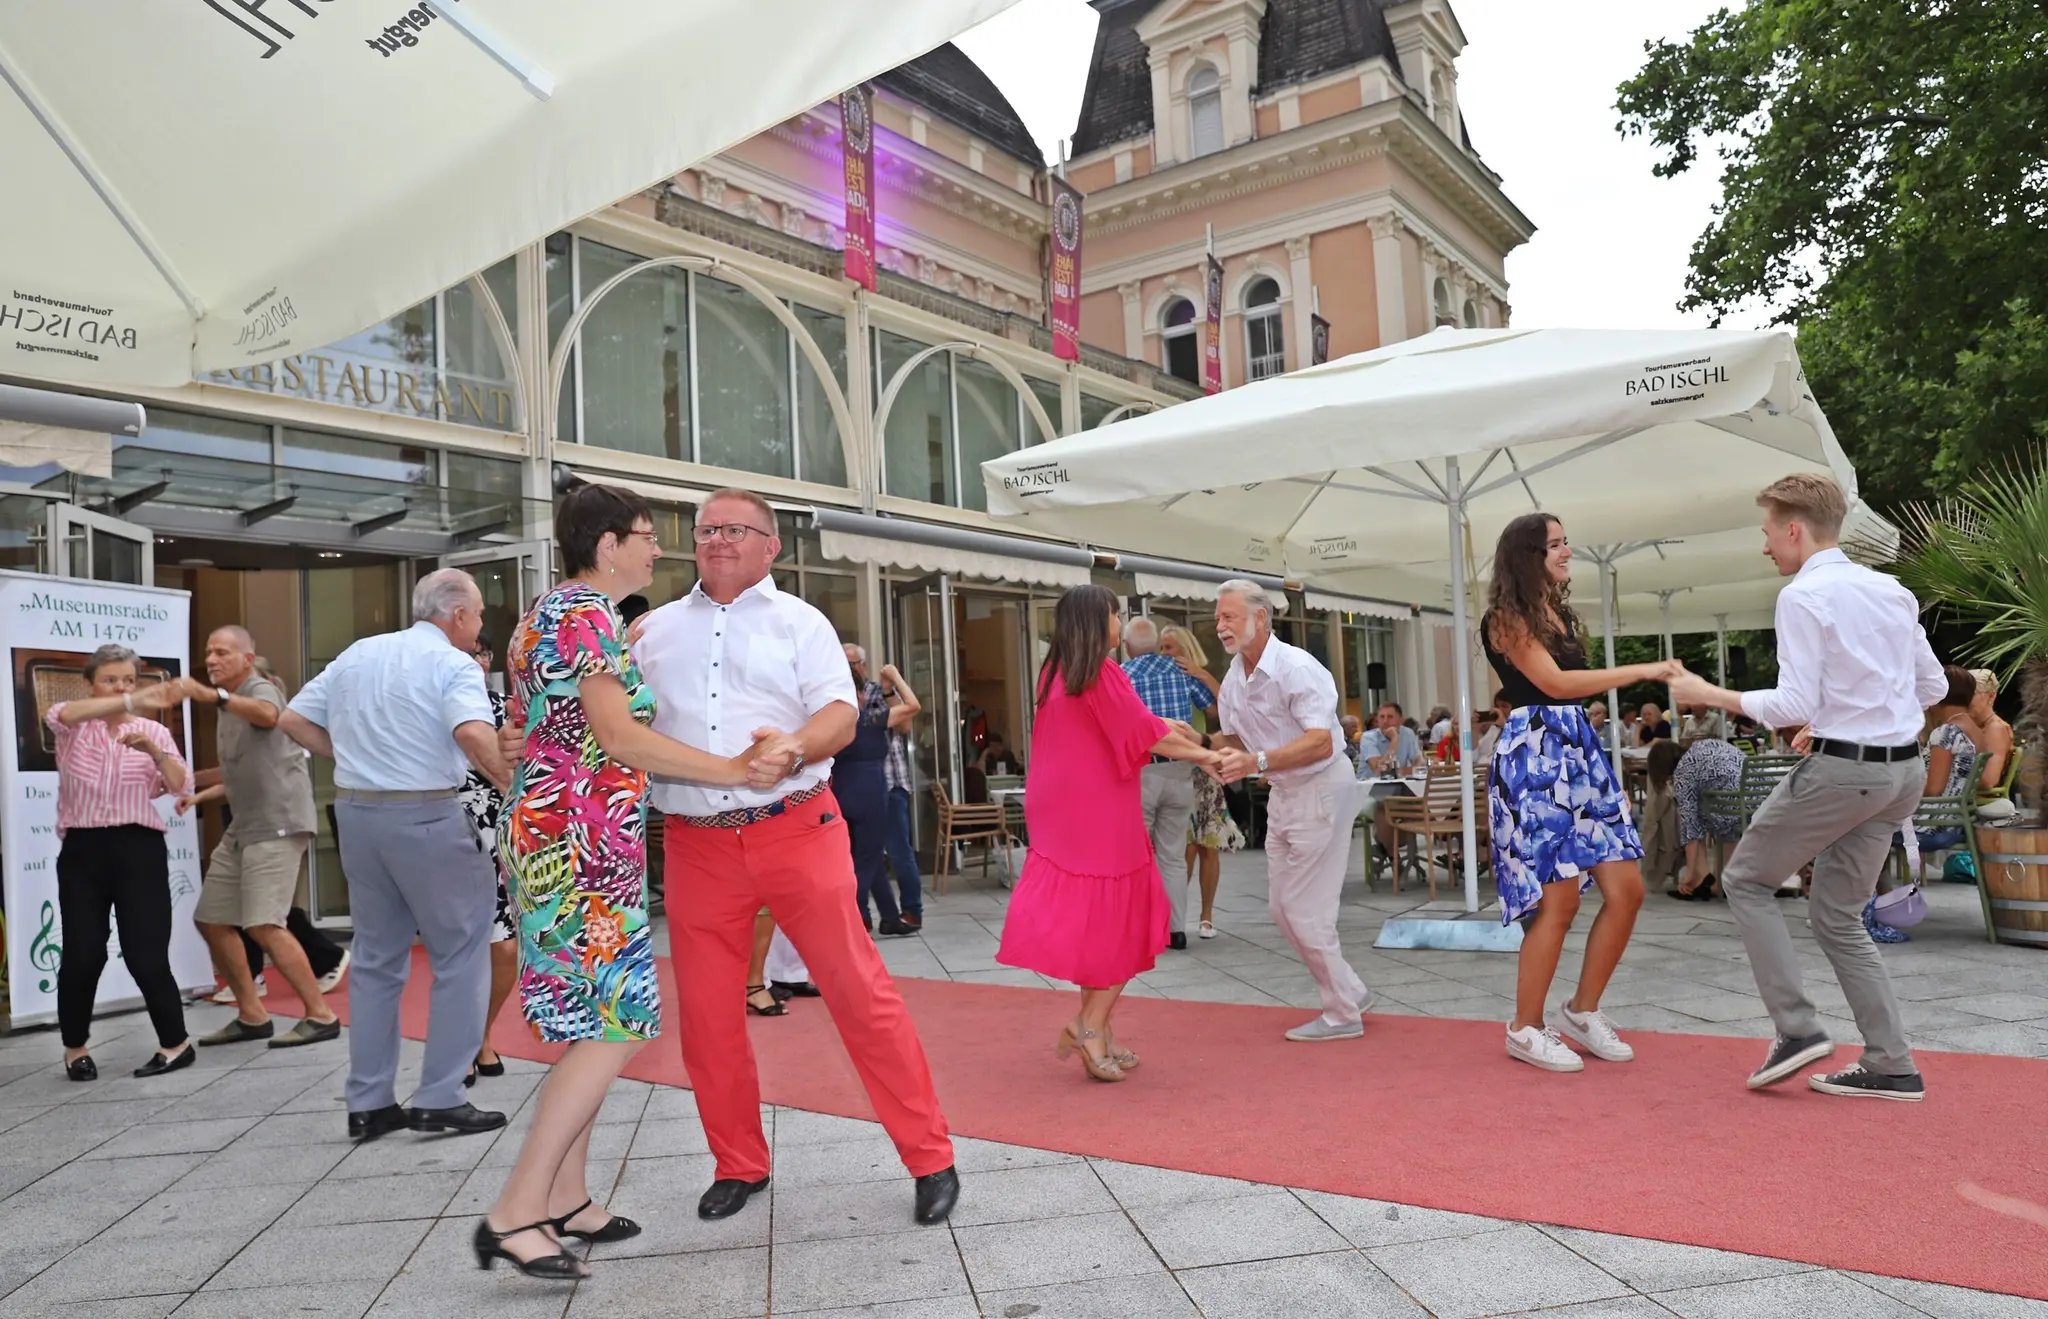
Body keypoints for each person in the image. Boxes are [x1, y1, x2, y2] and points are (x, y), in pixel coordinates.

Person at [634, 487, 959, 1226]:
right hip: (695, 844)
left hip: (796, 827)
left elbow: (841, 714)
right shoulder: (652, 632)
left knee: (858, 993)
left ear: (770, 544)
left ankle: (930, 1155)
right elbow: (619, 722)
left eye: (734, 529)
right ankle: (738, 1162)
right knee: (710, 1016)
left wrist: (794, 746)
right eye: (707, 527)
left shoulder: (801, 623)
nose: (715, 539)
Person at [479, 484, 761, 1280]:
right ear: (607, 544)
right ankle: (519, 1208)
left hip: (551, 834)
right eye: (646, 535)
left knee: (582, 1021)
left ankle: (568, 1196)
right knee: (620, 1021)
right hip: (580, 844)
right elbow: (618, 735)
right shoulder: (586, 617)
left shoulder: (544, 612)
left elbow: (525, 731)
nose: (657, 549)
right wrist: (733, 768)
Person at [1670, 472, 1945, 1101]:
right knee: (1838, 915)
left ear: (1793, 529)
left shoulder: (1801, 598)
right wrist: (1837, 720)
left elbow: (1792, 699)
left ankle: (1796, 1031)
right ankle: (1891, 1063)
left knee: (1744, 879)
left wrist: (1707, 693)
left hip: (1847, 771)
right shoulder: (1892, 590)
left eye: (1768, 533)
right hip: (1901, 773)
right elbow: (1930, 689)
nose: (1765, 546)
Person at [280, 568, 514, 1142]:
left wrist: (354, 760)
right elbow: (473, 735)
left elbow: (291, 718)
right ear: (458, 615)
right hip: (427, 813)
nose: (479, 625)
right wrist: (520, 788)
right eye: (479, 614)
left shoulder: (360, 651)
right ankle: (440, 1096)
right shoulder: (453, 663)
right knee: (462, 953)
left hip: (359, 814)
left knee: (378, 960)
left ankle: (370, 1101)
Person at [997, 587, 1220, 1079]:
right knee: (1129, 917)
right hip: (1098, 808)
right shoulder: (1102, 670)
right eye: (1117, 613)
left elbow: (1132, 721)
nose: (1120, 622)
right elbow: (1142, 733)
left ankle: (1101, 1029)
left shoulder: (1059, 671)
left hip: (1065, 809)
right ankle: (1089, 1026)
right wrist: (1207, 755)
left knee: (1100, 923)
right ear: (1100, 622)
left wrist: (1178, 731)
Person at [1483, 513, 1671, 1073]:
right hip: (1535, 757)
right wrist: (1643, 669)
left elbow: (1565, 693)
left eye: (1566, 542)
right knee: (1558, 902)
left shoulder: (1555, 614)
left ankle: (1581, 1011)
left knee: (1627, 889)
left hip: (1576, 753)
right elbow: (1556, 685)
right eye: (1556, 545)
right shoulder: (1506, 617)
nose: (1568, 552)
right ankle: (1524, 1027)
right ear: (1527, 555)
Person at [1210, 581, 1370, 1042]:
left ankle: (1342, 1013)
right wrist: (1191, 743)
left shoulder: (1297, 667)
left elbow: (1320, 739)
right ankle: (1351, 992)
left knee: (1306, 912)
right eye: (1218, 617)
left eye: (1229, 617)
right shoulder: (1234, 681)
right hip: (1285, 793)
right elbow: (1236, 743)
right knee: (1283, 909)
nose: (1220, 625)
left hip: (1321, 787)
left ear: (1260, 619)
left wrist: (1256, 762)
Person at [178, 625, 339, 1050]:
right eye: (209, 652)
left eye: (222, 653)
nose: (211, 660)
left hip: (277, 823)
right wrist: (188, 785)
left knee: (265, 925)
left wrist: (215, 695)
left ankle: (320, 1015)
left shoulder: (261, 690)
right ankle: (252, 1015)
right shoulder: (229, 705)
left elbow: (270, 716)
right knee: (211, 918)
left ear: (247, 659)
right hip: (244, 826)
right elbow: (236, 770)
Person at [47, 647, 193, 1082]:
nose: (121, 688)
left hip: (139, 847)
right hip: (83, 850)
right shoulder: (71, 724)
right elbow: (65, 714)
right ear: (91, 683)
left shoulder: (152, 730)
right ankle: (75, 1048)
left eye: (129, 681)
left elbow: (178, 785)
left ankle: (176, 1044)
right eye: (111, 680)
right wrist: (131, 704)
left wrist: (152, 748)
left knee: (147, 954)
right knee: (82, 953)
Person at [1121, 615, 1217, 949]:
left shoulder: (1121, 676)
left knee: (1137, 854)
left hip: (1143, 773)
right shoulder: (1179, 671)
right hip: (1181, 771)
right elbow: (1214, 708)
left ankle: (1142, 929)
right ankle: (1176, 930)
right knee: (1173, 856)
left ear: (1128, 646)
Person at [457, 634, 518, 1082]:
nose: (470, 661)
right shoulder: (427, 710)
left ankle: (480, 1032)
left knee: (505, 948)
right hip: (443, 835)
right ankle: (463, 1044)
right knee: (457, 948)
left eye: (478, 652)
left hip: (500, 836)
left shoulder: (507, 709)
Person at [1159, 624, 1239, 938]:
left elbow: (1227, 708)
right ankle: (1177, 918)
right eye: (1162, 648)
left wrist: (1202, 675)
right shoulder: (1162, 680)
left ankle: (1206, 917)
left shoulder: (1194, 680)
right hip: (1181, 767)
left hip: (1203, 766)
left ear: (1185, 650)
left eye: (1170, 648)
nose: (1165, 654)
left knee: (1209, 845)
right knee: (1185, 847)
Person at [839, 644, 913, 938]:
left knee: (863, 855)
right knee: (868, 860)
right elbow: (913, 707)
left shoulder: (834, 722)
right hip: (870, 792)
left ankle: (890, 916)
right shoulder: (870, 720)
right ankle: (852, 916)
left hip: (841, 791)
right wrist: (895, 678)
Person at [1653, 736, 1746, 900]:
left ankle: (1698, 879)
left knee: (1691, 816)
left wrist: (1688, 874)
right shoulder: (1707, 744)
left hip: (1734, 810)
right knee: (1721, 815)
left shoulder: (1683, 771)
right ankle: (1719, 882)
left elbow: (1691, 828)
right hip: (1759, 803)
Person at [880, 667, 926, 933]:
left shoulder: (880, 693)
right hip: (862, 788)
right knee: (867, 857)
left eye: (854, 664)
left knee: (899, 853)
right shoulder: (841, 697)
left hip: (891, 785)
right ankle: (870, 914)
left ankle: (912, 911)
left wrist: (890, 687)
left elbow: (906, 723)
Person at [1356, 701, 1424, 875]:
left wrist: (1420, 764)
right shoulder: (1369, 738)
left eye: (1390, 717)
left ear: (1400, 720)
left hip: (1400, 788)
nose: (1385, 721)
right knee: (1384, 808)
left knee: (1418, 803)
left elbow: (1417, 762)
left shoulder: (1408, 734)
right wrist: (1394, 741)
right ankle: (1394, 857)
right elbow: (1380, 769)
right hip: (1371, 790)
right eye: (1381, 717)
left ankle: (1396, 847)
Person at [1967, 669, 2013, 796]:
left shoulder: (1995, 728)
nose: (1965, 701)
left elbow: (1988, 781)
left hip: (1977, 803)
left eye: (1971, 694)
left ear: (1991, 696)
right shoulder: (1975, 726)